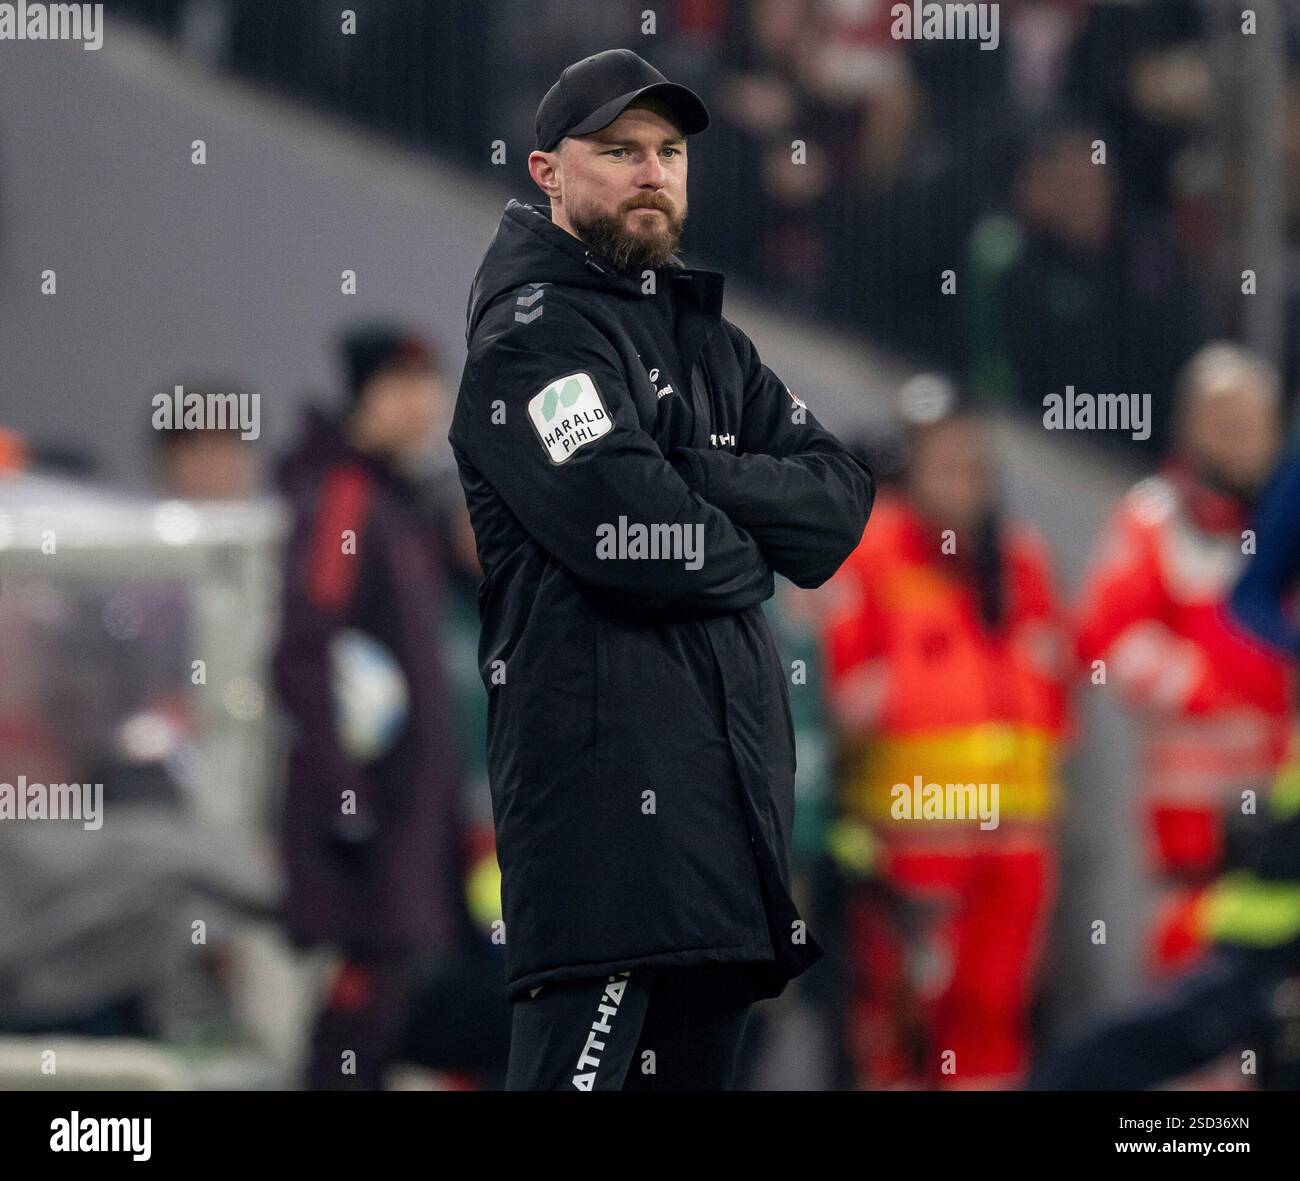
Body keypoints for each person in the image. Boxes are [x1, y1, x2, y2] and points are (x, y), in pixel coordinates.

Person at [448, 48, 874, 1091]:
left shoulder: (708, 344)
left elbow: (838, 503)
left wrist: (686, 473)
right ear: (548, 171)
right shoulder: (530, 340)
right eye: (619, 150)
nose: (652, 171)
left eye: (669, 152)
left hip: (719, 844)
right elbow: (631, 535)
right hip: (604, 849)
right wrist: (739, 538)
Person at [821, 377, 1070, 1089]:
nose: (967, 482)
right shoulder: (870, 556)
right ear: (910, 466)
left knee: (996, 1024)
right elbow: (840, 697)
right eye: (947, 464)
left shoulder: (1022, 564)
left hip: (1017, 846)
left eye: (976, 465)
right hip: (910, 851)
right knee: (897, 1030)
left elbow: (1058, 698)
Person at [273, 325, 474, 1090]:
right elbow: (303, 649)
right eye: (410, 387)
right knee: (361, 1003)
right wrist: (344, 794)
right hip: (369, 820)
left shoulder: (397, 501)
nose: (427, 406)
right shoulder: (346, 496)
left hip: (405, 817)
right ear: (372, 394)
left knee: (386, 1000)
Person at [1075, 343, 1293, 979]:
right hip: (1189, 827)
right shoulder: (1153, 521)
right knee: (1187, 985)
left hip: (1282, 807)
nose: (1241, 442)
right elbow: (1102, 639)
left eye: (1255, 427)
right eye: (1223, 424)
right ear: (1188, 427)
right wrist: (1210, 684)